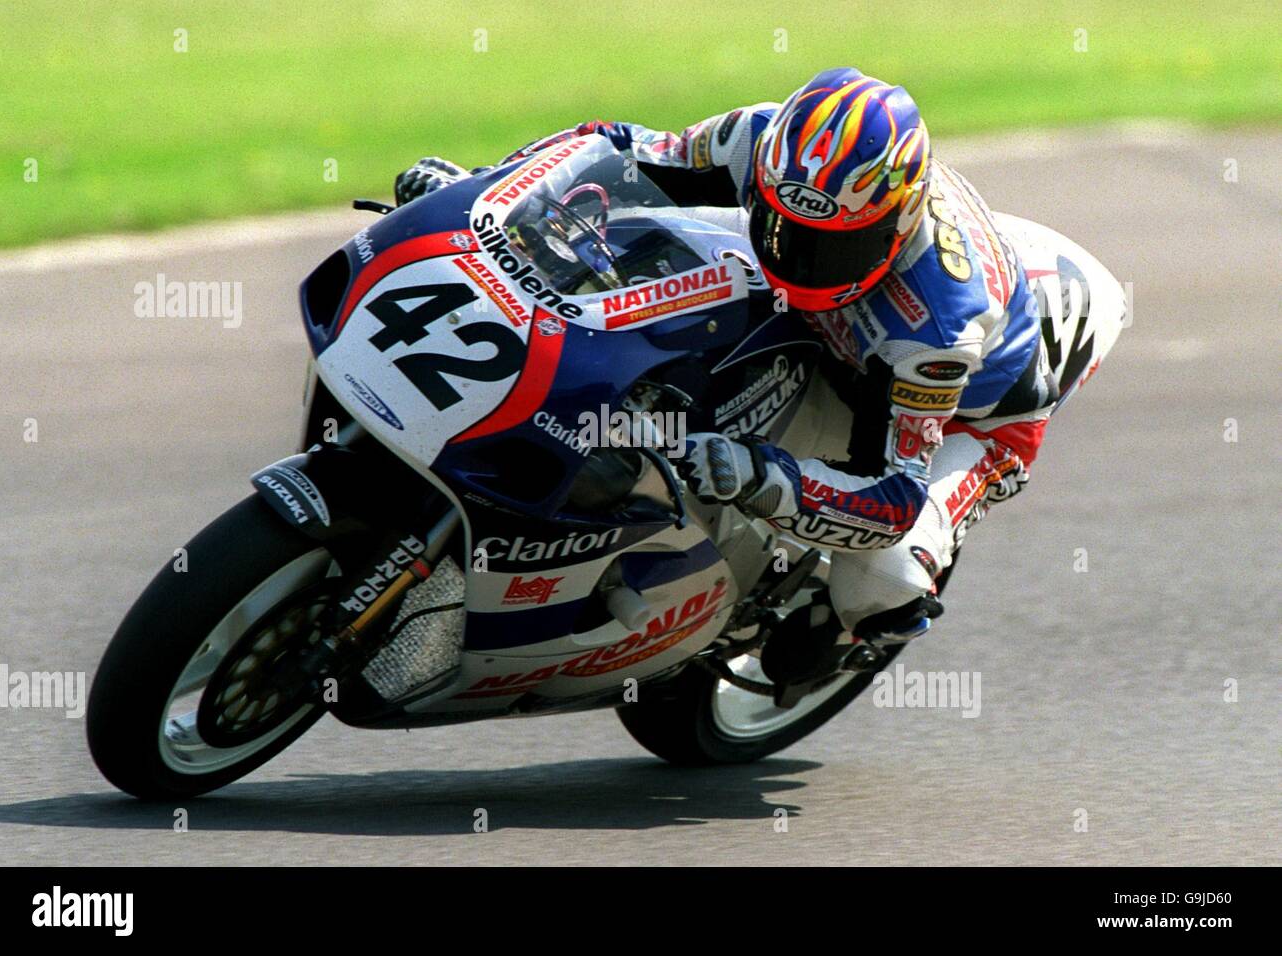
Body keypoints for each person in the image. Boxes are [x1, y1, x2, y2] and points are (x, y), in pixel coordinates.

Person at [395, 67, 1116, 703]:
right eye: (782, 225)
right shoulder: (756, 137)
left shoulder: (938, 326)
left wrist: (759, 476)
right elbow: (612, 149)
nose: (799, 255)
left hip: (968, 417)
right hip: (825, 327)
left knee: (883, 577)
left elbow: (894, 498)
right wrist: (484, 190)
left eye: (833, 244)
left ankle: (847, 633)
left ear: (894, 224)